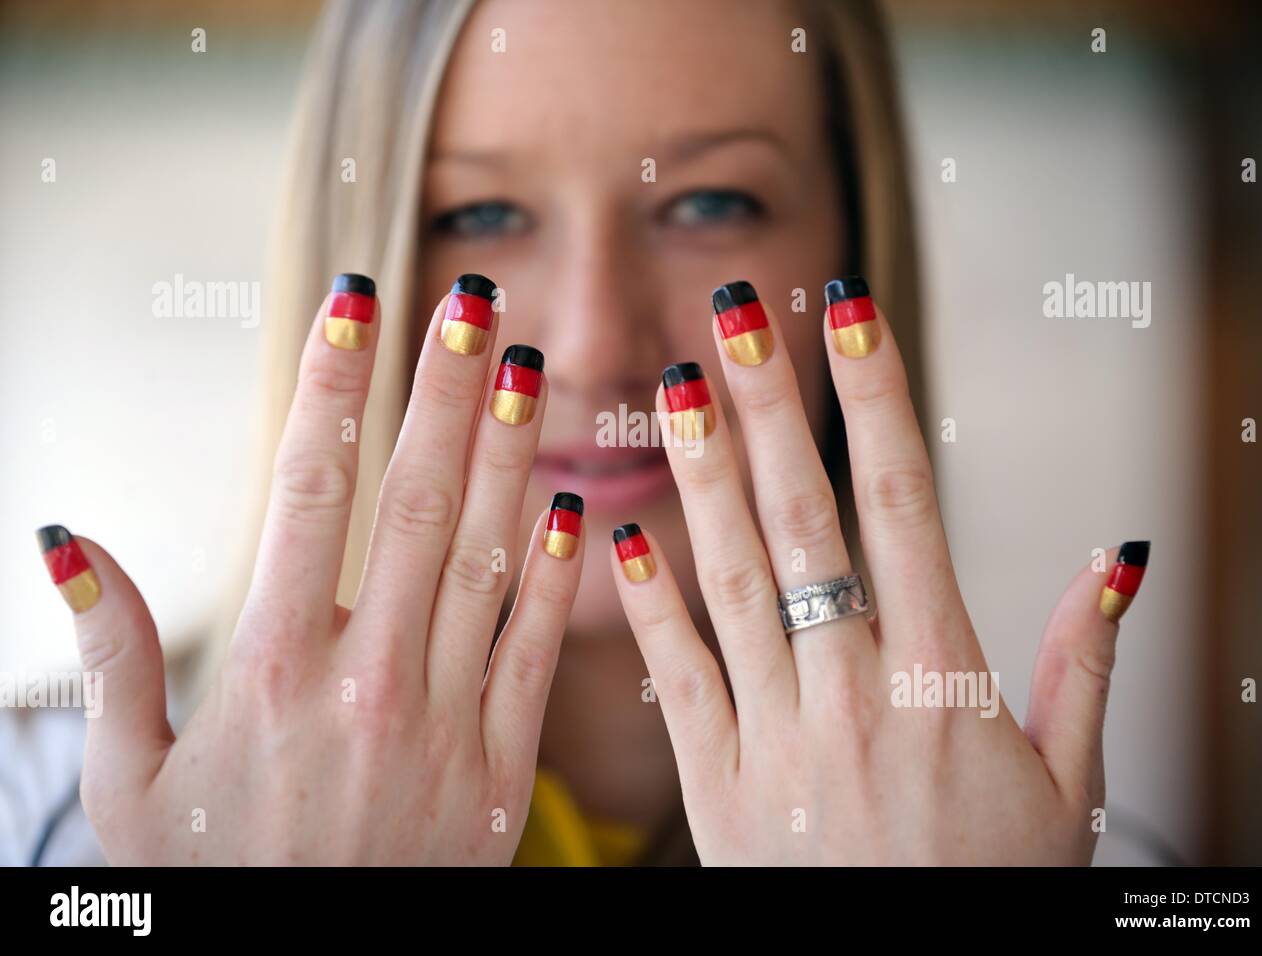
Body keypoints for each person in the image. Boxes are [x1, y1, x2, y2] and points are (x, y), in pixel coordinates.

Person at [17, 0, 1148, 866]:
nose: (600, 345)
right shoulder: (37, 815)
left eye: (709, 205)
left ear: (858, 234)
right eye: (482, 217)